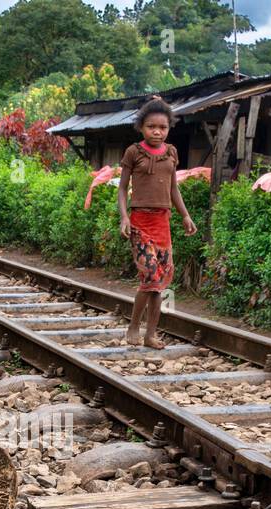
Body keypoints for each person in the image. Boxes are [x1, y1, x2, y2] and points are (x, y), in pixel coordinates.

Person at [117, 96, 196, 348]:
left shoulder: (171, 153)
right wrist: (124, 217)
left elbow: (174, 189)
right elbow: (122, 189)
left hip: (163, 224)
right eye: (152, 126)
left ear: (169, 128)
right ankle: (133, 327)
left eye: (163, 127)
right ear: (141, 127)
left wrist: (185, 215)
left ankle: (151, 334)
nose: (157, 132)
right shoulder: (133, 152)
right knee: (150, 277)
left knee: (159, 283)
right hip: (140, 222)